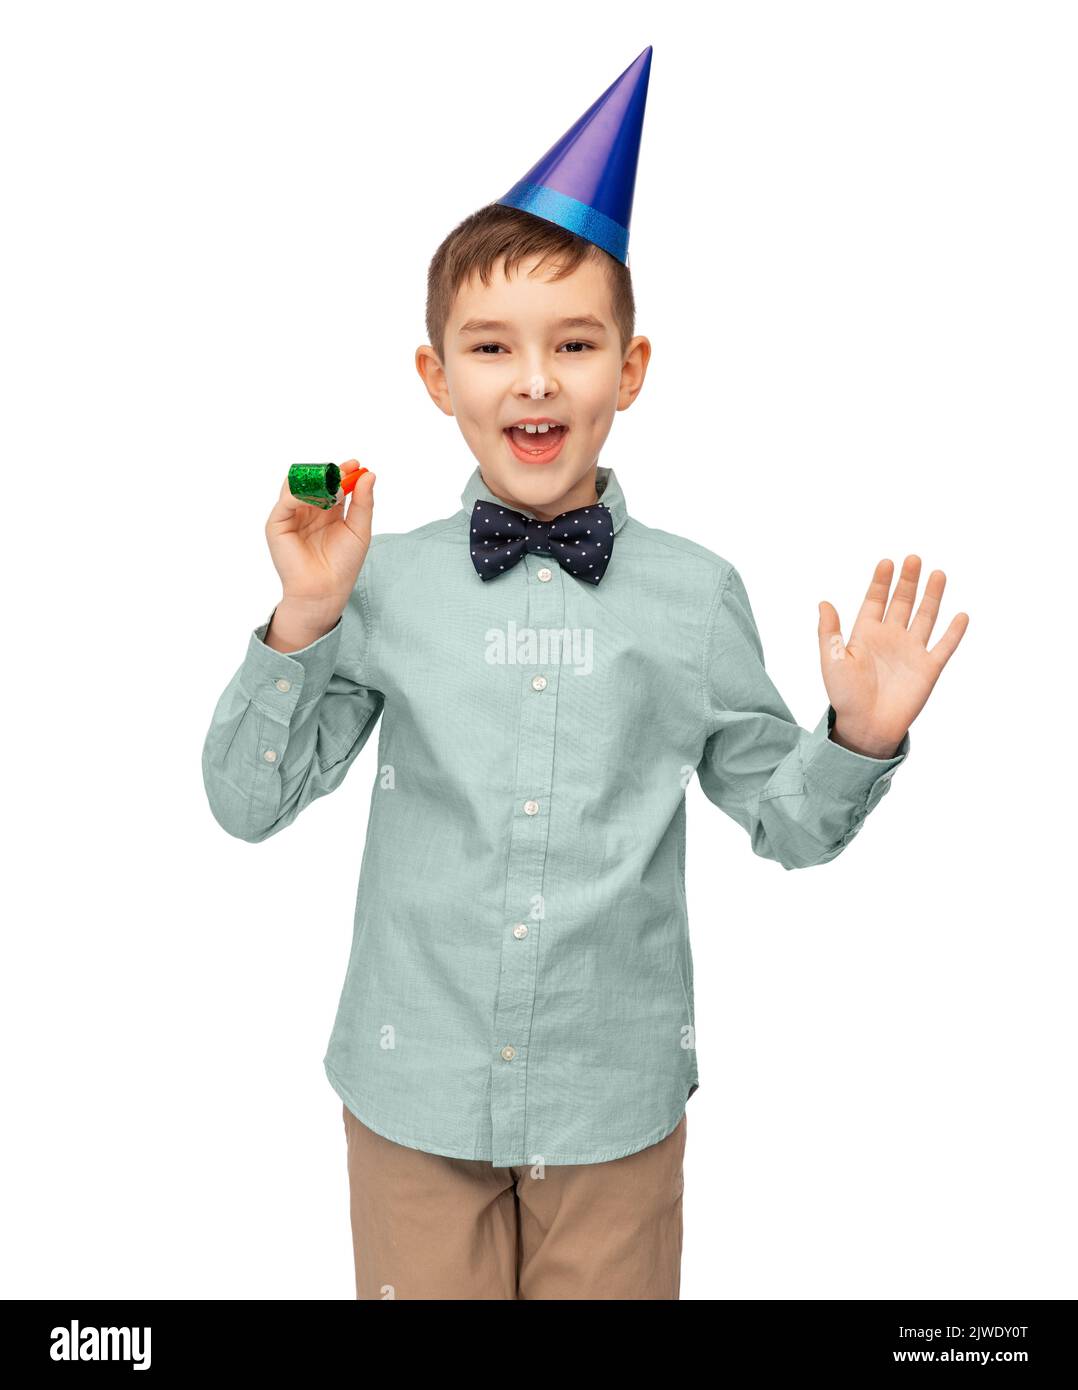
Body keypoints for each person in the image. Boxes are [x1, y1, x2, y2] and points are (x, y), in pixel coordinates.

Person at [201, 46, 968, 1300]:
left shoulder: (692, 592)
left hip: (612, 1101)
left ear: (631, 368)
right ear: (437, 378)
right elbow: (246, 805)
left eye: (572, 342)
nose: (536, 377)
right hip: (413, 1091)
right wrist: (301, 619)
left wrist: (857, 736)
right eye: (493, 348)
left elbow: (786, 825)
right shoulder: (376, 581)